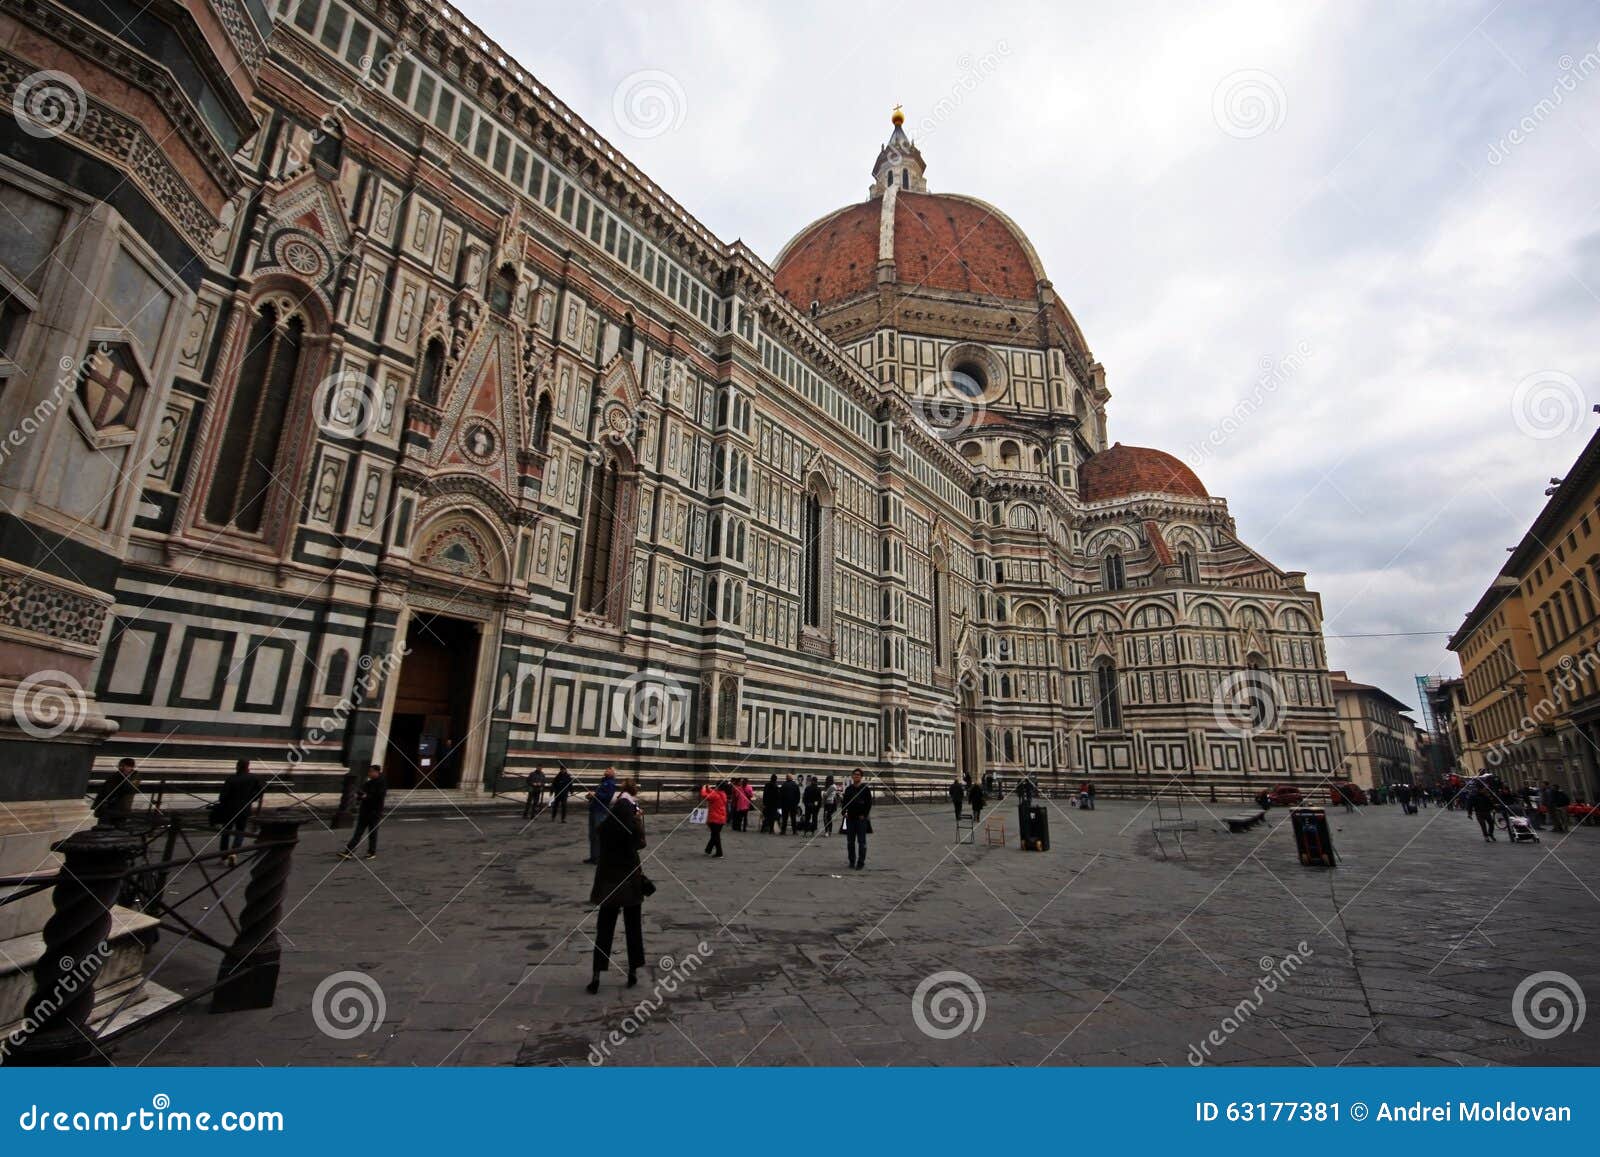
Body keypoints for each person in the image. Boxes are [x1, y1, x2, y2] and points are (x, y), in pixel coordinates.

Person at [586, 779, 649, 993]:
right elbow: (641, 843)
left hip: (607, 884)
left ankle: (596, 974)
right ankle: (632, 971)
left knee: (604, 929)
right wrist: (639, 821)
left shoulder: (606, 828)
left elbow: (598, 836)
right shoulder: (632, 826)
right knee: (633, 927)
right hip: (630, 882)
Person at [214, 759, 263, 865]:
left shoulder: (231, 779)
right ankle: (234, 854)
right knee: (240, 832)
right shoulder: (254, 778)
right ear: (247, 766)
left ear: (237, 766)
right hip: (244, 809)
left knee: (226, 832)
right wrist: (252, 798)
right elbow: (261, 790)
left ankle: (224, 857)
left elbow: (222, 797)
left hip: (229, 810)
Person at [341, 764, 386, 859]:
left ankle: (371, 852)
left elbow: (379, 796)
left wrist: (367, 796)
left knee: (372, 833)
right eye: (369, 771)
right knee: (358, 832)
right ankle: (349, 851)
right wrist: (359, 796)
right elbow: (362, 792)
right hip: (365, 811)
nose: (369, 773)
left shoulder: (382, 783)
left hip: (375, 812)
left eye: (371, 771)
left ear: (377, 772)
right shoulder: (368, 783)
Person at [585, 767, 617, 864]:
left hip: (601, 811)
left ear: (612, 773)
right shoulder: (603, 782)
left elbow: (608, 797)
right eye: (606, 769)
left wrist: (595, 794)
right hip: (594, 809)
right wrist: (591, 796)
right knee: (592, 835)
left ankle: (598, 858)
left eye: (608, 770)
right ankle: (593, 857)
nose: (606, 770)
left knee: (598, 835)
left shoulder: (611, 783)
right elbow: (599, 795)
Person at [842, 768, 873, 869]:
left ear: (861, 777)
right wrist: (844, 812)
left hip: (861, 819)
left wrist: (864, 814)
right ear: (852, 776)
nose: (856, 776)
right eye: (855, 774)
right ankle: (852, 861)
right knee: (850, 842)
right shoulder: (848, 789)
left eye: (858, 775)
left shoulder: (865, 789)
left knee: (861, 841)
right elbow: (844, 802)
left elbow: (869, 803)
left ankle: (860, 862)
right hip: (850, 818)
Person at [92, 757, 140, 822]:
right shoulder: (115, 776)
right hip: (107, 808)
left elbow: (129, 789)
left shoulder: (134, 776)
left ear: (131, 767)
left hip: (122, 809)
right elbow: (103, 791)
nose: (120, 768)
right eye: (120, 766)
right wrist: (96, 806)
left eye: (123, 766)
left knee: (118, 827)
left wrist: (125, 777)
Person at [700, 780, 728, 857]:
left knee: (716, 836)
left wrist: (703, 788)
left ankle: (719, 853)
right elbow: (713, 792)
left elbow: (704, 795)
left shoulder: (715, 795)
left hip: (714, 818)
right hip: (721, 818)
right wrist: (708, 788)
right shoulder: (723, 794)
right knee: (714, 835)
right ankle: (708, 850)